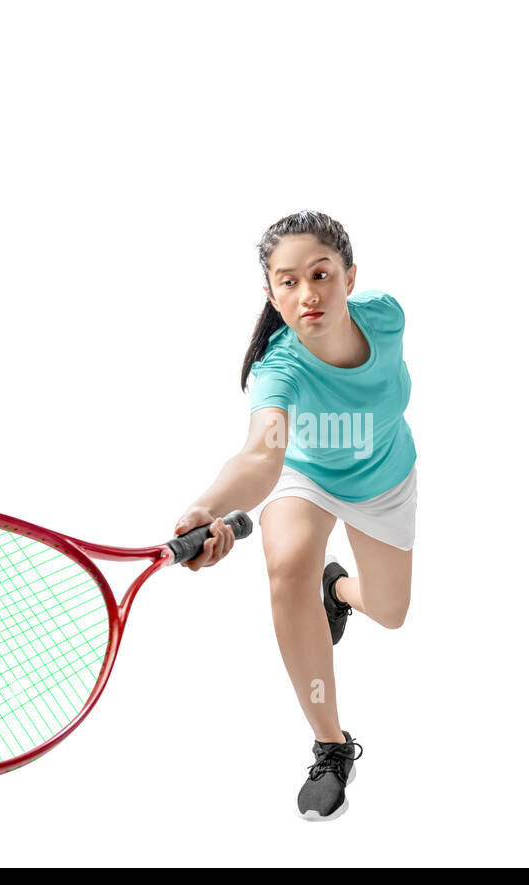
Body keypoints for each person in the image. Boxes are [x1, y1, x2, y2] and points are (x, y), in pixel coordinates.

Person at [172, 210, 417, 821]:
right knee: (286, 567)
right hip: (303, 474)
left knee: (390, 613)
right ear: (271, 293)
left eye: (321, 274)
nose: (307, 293)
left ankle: (336, 590)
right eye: (288, 281)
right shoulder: (278, 369)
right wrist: (209, 507)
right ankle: (331, 746)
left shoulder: (386, 316)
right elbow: (261, 455)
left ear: (350, 277)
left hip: (385, 480)